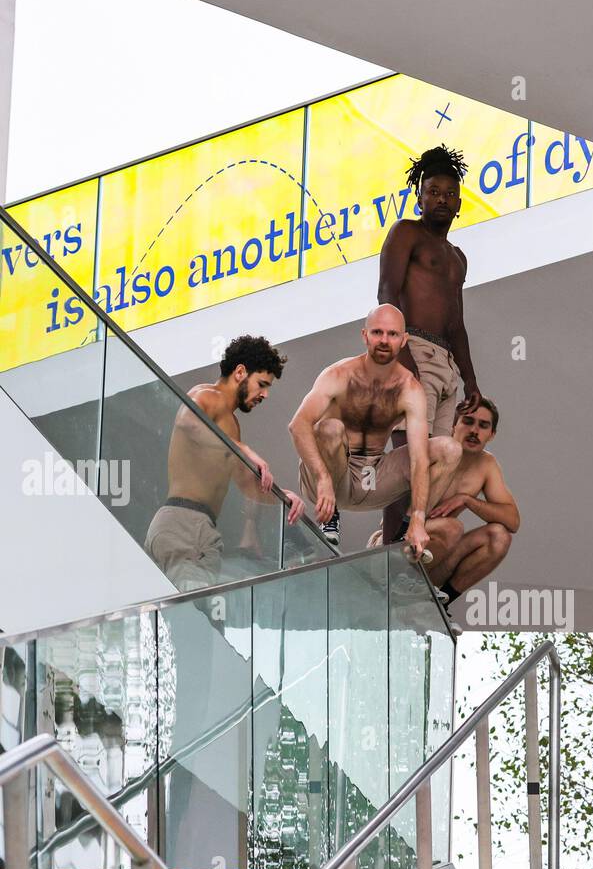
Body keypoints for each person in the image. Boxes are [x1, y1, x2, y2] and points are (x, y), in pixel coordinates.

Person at [337, 144, 479, 550]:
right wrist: (401, 356)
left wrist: (471, 380)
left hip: (447, 365)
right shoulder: (406, 232)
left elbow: (457, 322)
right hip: (412, 348)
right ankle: (388, 550)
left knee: (436, 466)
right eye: (433, 191)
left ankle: (404, 545)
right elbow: (387, 291)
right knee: (409, 459)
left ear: (459, 203)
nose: (441, 200)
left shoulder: (457, 257)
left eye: (449, 194)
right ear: (419, 195)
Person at [287, 304, 462, 566]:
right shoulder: (339, 374)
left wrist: (418, 516)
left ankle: (406, 533)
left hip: (374, 477)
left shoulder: (409, 389)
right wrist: (323, 478)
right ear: (364, 335)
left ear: (403, 340)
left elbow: (419, 459)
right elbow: (298, 425)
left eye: (392, 334)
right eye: (377, 332)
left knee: (449, 449)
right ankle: (331, 518)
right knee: (330, 428)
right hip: (330, 478)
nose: (384, 340)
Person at [144, 335, 304, 591]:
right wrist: (242, 448)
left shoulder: (232, 425)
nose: (265, 394)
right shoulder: (207, 394)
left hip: (205, 531)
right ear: (240, 372)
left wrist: (284, 498)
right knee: (194, 617)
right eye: (262, 384)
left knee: (208, 622)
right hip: (181, 524)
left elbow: (246, 485)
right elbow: (187, 422)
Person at [425, 395, 519, 611]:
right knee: (452, 527)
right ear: (453, 426)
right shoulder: (437, 449)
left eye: (483, 425)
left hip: (434, 559)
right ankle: (403, 580)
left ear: (491, 434)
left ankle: (440, 603)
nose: (475, 431)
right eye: (468, 422)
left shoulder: (487, 464)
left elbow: (513, 521)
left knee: (499, 536)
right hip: (394, 548)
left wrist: (468, 500)